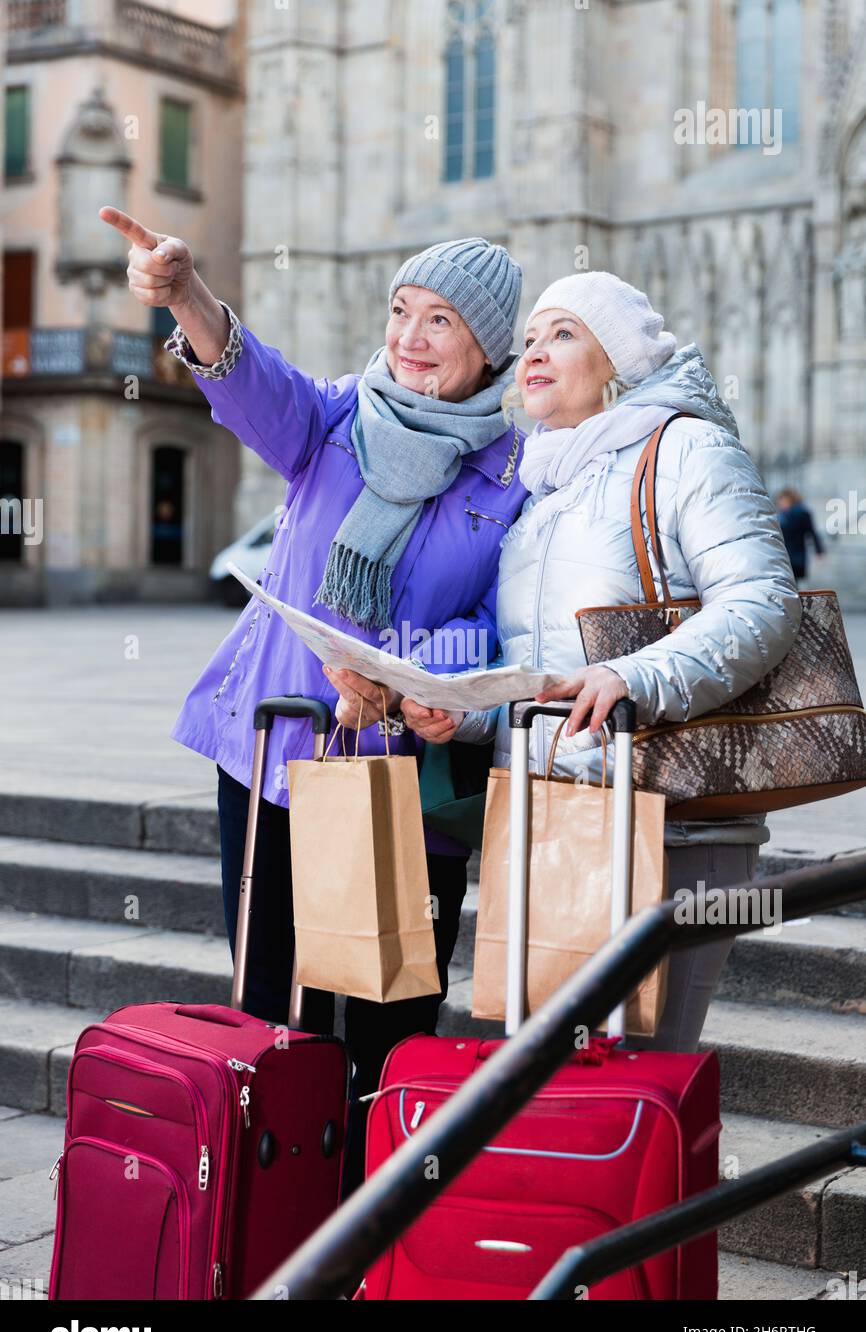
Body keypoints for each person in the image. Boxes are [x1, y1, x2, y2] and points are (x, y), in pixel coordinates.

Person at [101, 204, 527, 1193]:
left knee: (382, 1028)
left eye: (438, 322)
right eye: (399, 311)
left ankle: (359, 1236)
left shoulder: (509, 473)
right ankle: (264, 1221)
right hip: (275, 757)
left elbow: (498, 620)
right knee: (267, 1010)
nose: (407, 338)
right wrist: (187, 292)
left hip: (401, 790)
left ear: (486, 348)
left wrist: (408, 670)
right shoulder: (338, 416)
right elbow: (254, 385)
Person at [406, 271, 802, 1053]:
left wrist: (636, 678)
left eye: (564, 334)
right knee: (553, 1087)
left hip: (669, 815)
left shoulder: (686, 446)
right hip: (553, 816)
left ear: (617, 357)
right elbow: (544, 666)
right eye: (528, 341)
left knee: (644, 1073)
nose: (535, 354)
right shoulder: (543, 483)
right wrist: (469, 714)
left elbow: (762, 603)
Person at [776, 487, 825, 583]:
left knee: (790, 583)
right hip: (791, 557)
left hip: (792, 557)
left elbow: (812, 533)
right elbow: (813, 533)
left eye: (782, 500)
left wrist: (819, 551)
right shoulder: (784, 515)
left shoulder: (798, 514)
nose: (780, 504)